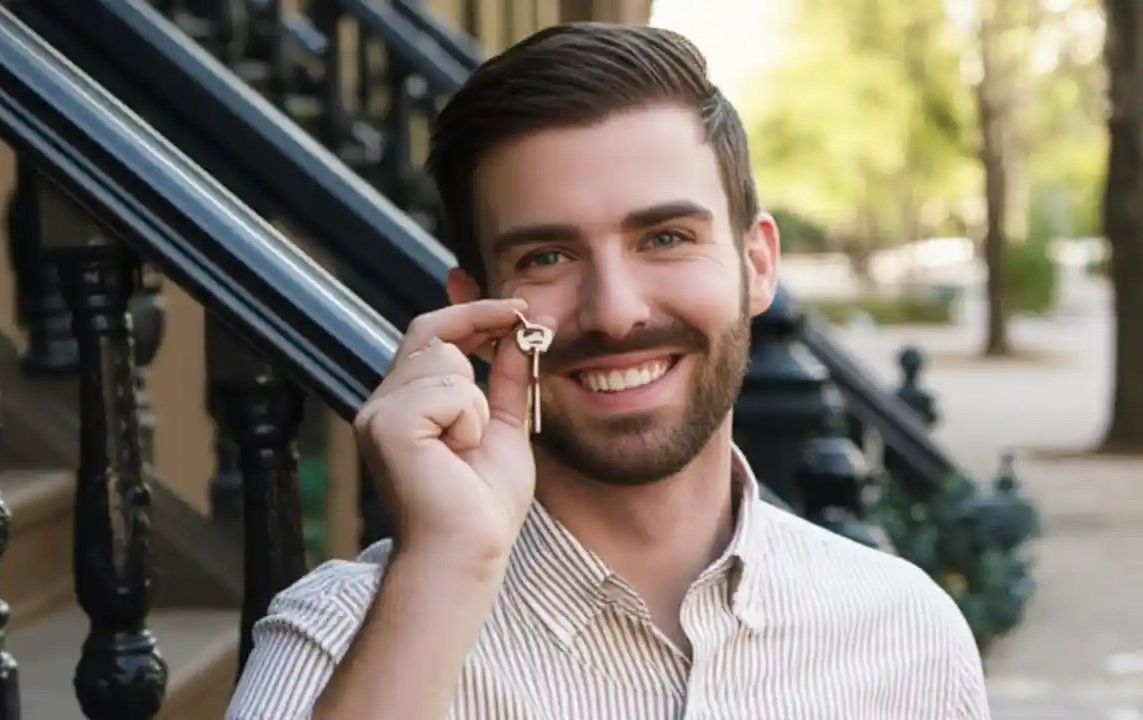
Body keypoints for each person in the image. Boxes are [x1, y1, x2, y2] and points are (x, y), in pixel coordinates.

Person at [226, 21, 990, 720]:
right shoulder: (335, 644)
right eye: (547, 257)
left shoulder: (906, 637)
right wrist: (448, 568)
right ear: (478, 311)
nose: (615, 312)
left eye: (664, 238)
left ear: (757, 266)